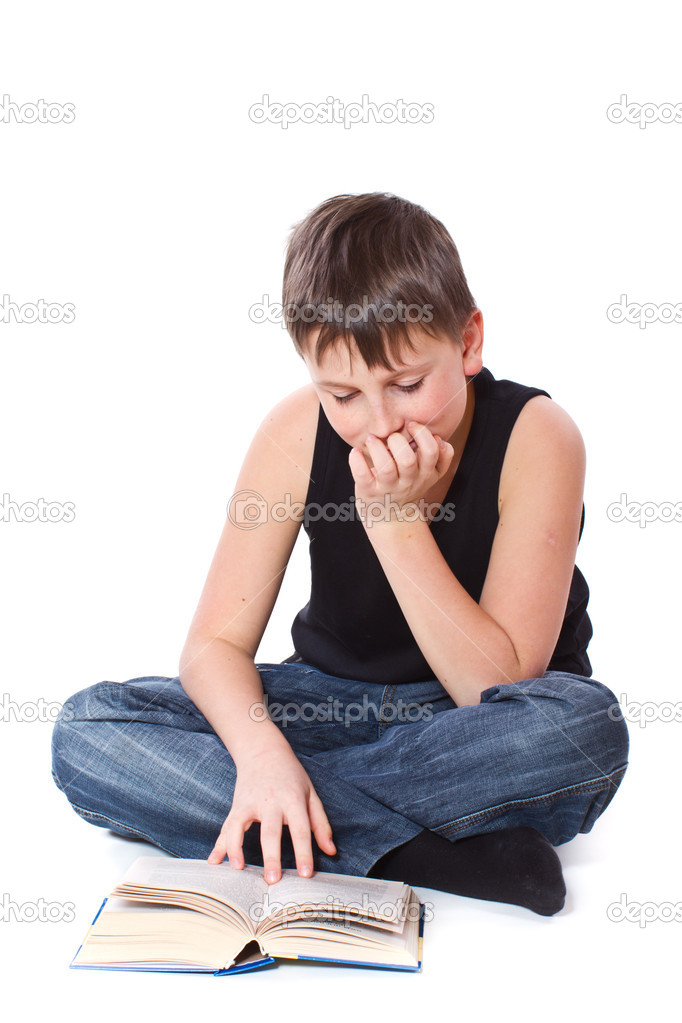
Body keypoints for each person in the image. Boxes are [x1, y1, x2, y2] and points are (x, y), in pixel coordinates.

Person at [51, 193, 629, 917]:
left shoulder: (539, 436)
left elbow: (494, 684)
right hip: (325, 702)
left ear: (470, 341)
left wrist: (392, 519)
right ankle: (422, 850)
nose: (379, 422)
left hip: (472, 728)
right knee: (88, 731)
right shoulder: (294, 430)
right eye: (344, 395)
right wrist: (264, 758)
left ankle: (302, 825)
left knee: (585, 729)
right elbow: (212, 647)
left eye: (408, 384)